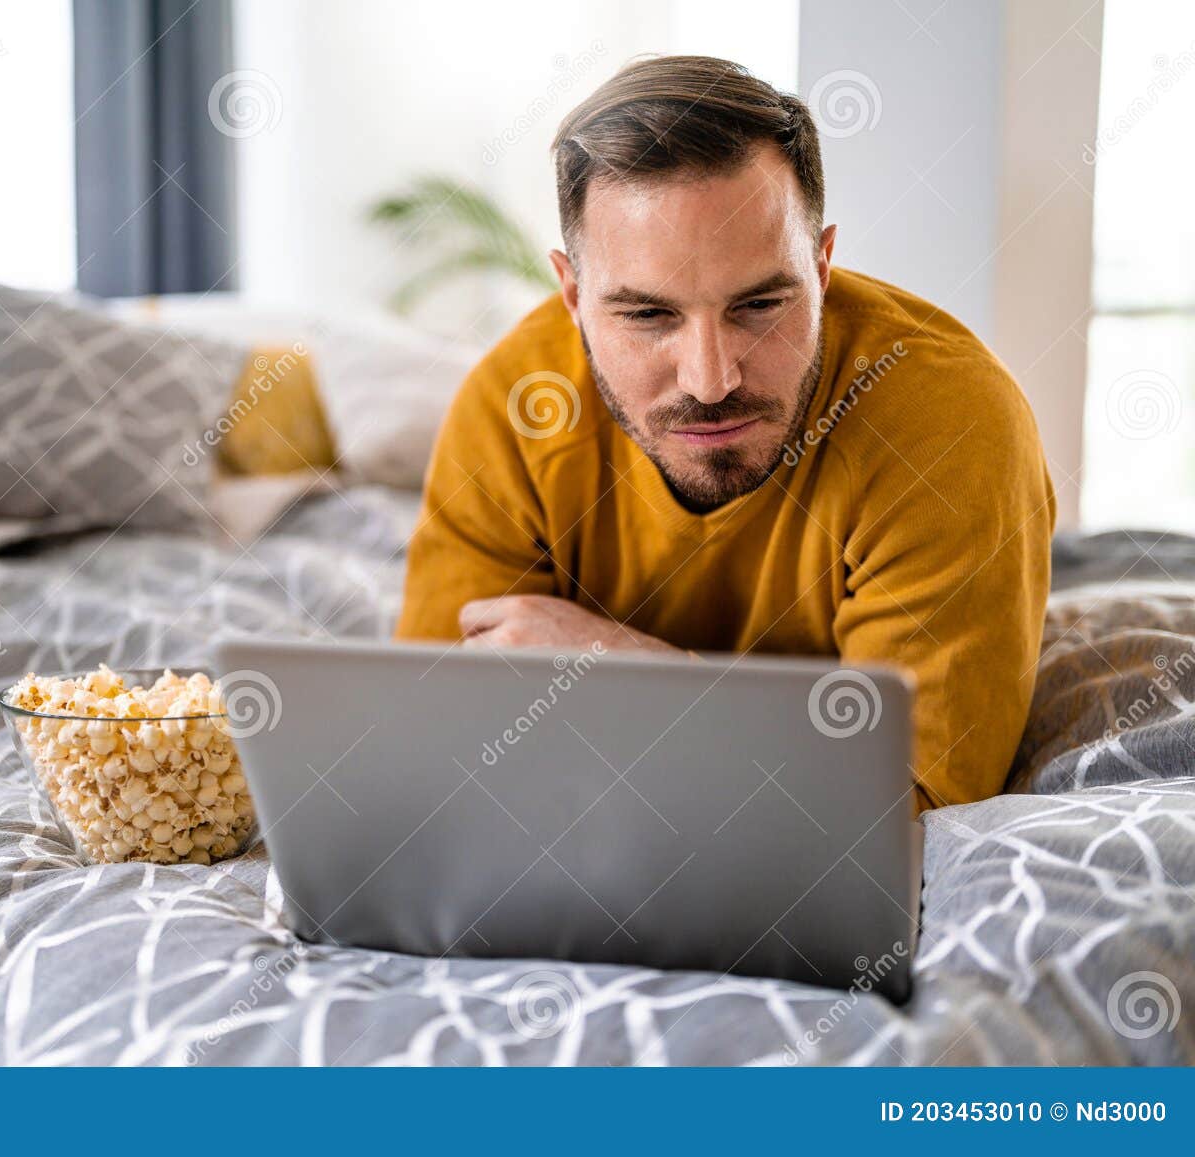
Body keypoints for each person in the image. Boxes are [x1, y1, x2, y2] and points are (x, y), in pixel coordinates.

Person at [395, 55, 1055, 813]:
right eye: (648, 315)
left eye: (760, 305)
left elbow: (897, 812)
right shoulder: (516, 403)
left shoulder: (952, 423)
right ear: (572, 295)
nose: (711, 381)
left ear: (824, 265)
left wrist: (632, 677)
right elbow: (440, 756)